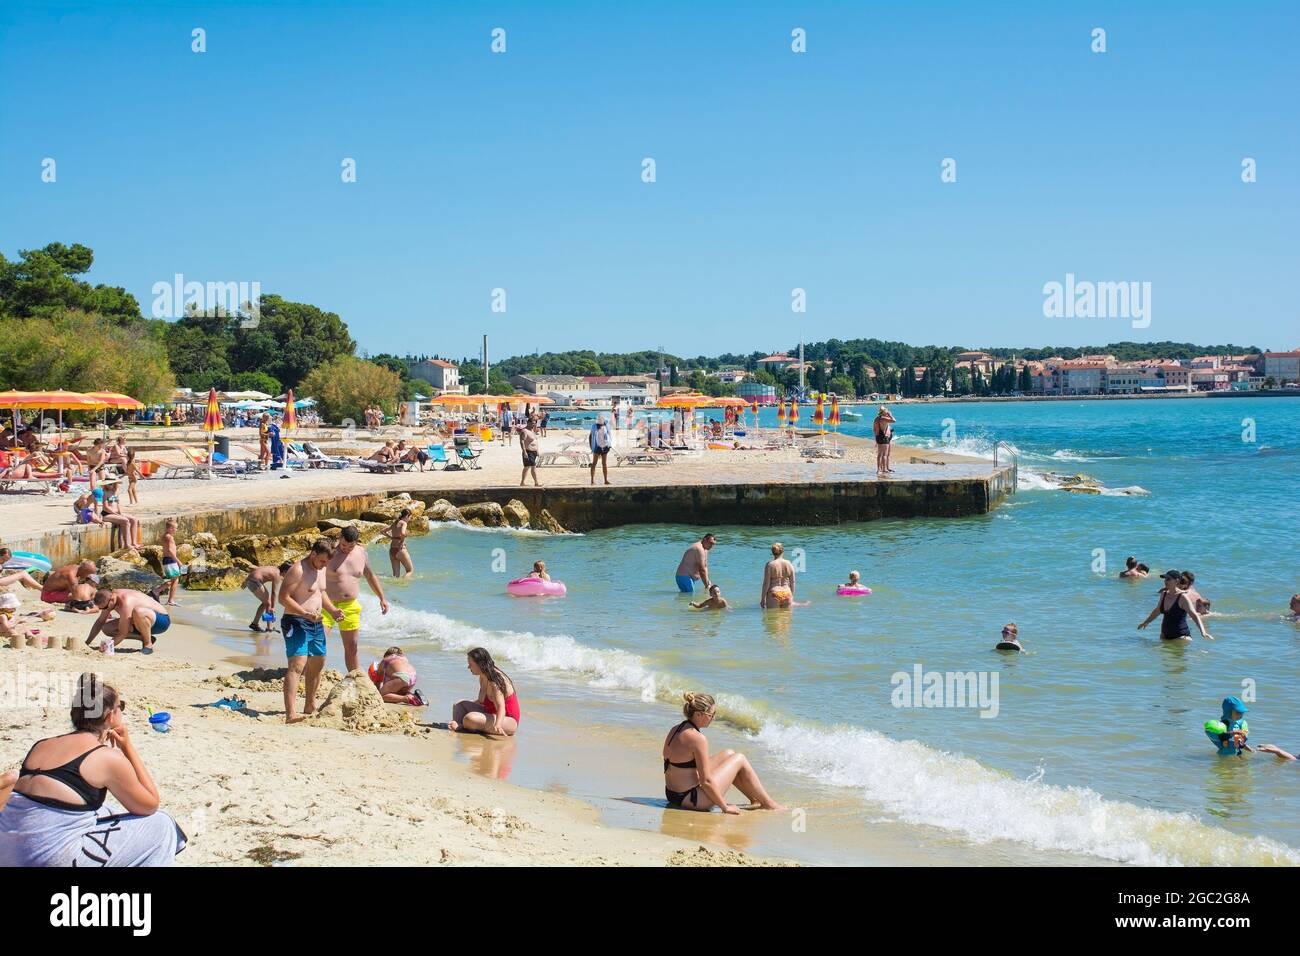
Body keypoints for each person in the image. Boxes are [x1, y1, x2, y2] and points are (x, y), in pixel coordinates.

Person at [0, 673, 187, 866]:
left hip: (7, 852)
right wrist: (128, 748)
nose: (121, 710)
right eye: (120, 706)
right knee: (162, 824)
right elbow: (150, 805)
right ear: (109, 716)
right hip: (45, 859)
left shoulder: (41, 745)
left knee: (104, 810)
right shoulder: (106, 757)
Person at [662, 692, 783, 813]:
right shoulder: (698, 738)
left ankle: (755, 799)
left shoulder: (676, 729)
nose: (713, 718)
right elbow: (706, 781)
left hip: (673, 794)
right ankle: (769, 803)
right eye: (711, 714)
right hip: (693, 800)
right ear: (698, 714)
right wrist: (724, 806)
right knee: (739, 758)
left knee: (729, 754)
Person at [279, 539, 341, 723]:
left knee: (318, 662)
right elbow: (283, 598)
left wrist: (332, 610)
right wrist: (304, 613)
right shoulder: (298, 570)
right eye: (322, 561)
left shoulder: (321, 569)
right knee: (297, 665)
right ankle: (290, 713)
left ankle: (309, 704)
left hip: (315, 622)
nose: (325, 565)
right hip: (295, 621)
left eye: (327, 562)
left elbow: (320, 593)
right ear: (313, 554)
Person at [324, 525, 390, 673]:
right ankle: (306, 673)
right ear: (340, 538)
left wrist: (382, 597)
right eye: (343, 545)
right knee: (319, 641)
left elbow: (370, 575)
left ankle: (354, 677)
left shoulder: (361, 553)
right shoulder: (329, 551)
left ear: (356, 542)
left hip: (350, 606)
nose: (345, 548)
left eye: (350, 546)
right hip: (326, 604)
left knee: (352, 647)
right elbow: (312, 570)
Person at [448, 647, 520, 736]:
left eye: (471, 664)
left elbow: (501, 707)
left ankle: (464, 726)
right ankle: (460, 726)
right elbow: (481, 701)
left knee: (470, 718)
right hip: (490, 713)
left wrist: (498, 724)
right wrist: (465, 705)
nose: (468, 667)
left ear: (480, 664)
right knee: (458, 704)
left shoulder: (495, 681)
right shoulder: (482, 676)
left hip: (507, 720)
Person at [85, 588, 170, 654]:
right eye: (101, 608)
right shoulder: (109, 599)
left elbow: (122, 633)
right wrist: (87, 643)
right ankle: (146, 638)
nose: (104, 610)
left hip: (161, 621)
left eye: (105, 608)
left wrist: (107, 647)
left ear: (112, 600)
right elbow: (100, 621)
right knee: (107, 628)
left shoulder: (126, 601)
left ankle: (148, 645)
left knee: (138, 611)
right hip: (141, 622)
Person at [1138, 570, 1214, 641]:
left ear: (1177, 581)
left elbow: (1194, 615)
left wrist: (1203, 632)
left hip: (1181, 638)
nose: (1165, 581)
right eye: (1165, 579)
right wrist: (1146, 622)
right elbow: (1157, 611)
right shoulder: (1163, 594)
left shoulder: (1182, 597)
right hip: (1165, 637)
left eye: (1168, 579)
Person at [243, 561, 291, 632]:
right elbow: (274, 593)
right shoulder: (277, 575)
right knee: (269, 603)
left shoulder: (274, 569)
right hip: (254, 581)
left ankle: (254, 624)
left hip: (250, 580)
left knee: (265, 603)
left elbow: (259, 571)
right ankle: (269, 627)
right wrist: (273, 607)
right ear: (284, 571)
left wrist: (246, 581)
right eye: (289, 573)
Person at [99, 480, 141, 548]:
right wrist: (116, 514)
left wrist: (120, 513)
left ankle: (134, 543)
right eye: (108, 484)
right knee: (125, 521)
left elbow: (118, 504)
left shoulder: (116, 492)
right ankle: (127, 544)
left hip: (116, 513)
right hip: (107, 514)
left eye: (112, 484)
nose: (110, 485)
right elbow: (105, 507)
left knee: (134, 519)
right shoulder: (104, 493)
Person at [760, 542, 796, 609]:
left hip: (774, 594)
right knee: (786, 618)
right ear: (782, 551)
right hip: (787, 593)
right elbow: (793, 582)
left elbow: (766, 584)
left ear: (773, 552)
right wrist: (792, 596)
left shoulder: (770, 565)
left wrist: (762, 599)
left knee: (773, 618)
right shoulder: (789, 563)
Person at [383, 509, 415, 578]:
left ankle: (395, 588)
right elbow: (403, 533)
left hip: (392, 550)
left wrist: (391, 537)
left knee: (396, 576)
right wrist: (402, 541)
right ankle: (403, 585)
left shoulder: (394, 523)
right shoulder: (404, 523)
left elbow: (382, 531)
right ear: (406, 516)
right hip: (400, 550)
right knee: (410, 570)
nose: (409, 519)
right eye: (410, 517)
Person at [160, 519, 182, 606]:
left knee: (173, 580)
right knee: (176, 579)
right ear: (171, 528)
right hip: (170, 560)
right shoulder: (169, 537)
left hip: (168, 560)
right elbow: (170, 550)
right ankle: (170, 600)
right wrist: (179, 561)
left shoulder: (165, 536)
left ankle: (157, 591)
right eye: (175, 528)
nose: (176, 530)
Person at [515, 420, 541, 487]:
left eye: (534, 424)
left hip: (534, 452)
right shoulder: (524, 431)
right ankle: (536, 483)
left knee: (526, 467)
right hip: (528, 451)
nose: (534, 425)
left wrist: (537, 450)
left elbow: (535, 441)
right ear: (528, 423)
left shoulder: (532, 431)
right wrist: (524, 452)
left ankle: (522, 482)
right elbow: (522, 441)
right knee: (533, 466)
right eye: (532, 423)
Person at [873, 405, 897, 476]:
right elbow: (894, 420)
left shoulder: (876, 419)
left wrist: (875, 439)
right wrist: (890, 415)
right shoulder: (884, 418)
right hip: (884, 437)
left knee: (880, 454)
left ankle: (880, 469)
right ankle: (883, 469)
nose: (887, 413)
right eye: (886, 412)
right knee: (884, 454)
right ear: (884, 412)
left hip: (879, 437)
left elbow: (874, 429)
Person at [589, 414, 612, 485]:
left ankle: (605, 480)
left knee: (604, 464)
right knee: (594, 463)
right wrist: (591, 447)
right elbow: (590, 437)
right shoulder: (594, 426)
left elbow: (609, 436)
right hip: (597, 447)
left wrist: (609, 445)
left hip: (605, 446)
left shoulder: (606, 426)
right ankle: (592, 480)